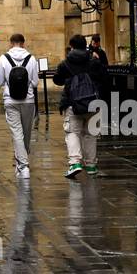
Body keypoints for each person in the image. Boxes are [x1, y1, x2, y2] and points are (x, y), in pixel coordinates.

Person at [53, 34, 108, 178]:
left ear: (72, 46)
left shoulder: (65, 63)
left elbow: (57, 80)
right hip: (92, 103)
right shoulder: (93, 61)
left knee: (72, 132)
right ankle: (90, 165)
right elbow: (104, 76)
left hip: (73, 103)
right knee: (90, 134)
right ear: (86, 46)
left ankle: (75, 162)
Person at [0, 34, 40, 180]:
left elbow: (0, 81)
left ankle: (23, 165)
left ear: (11, 43)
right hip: (28, 100)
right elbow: (35, 82)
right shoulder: (32, 58)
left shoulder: (3, 59)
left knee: (17, 133)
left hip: (10, 101)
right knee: (27, 133)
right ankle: (23, 162)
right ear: (23, 43)